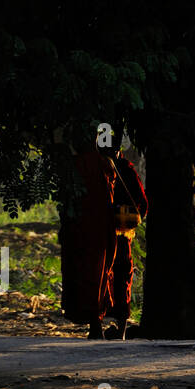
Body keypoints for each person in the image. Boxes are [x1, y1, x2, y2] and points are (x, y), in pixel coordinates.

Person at [60, 142, 148, 339]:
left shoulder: (116, 168)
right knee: (107, 277)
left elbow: (141, 203)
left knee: (112, 277)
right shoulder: (105, 167)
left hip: (113, 234)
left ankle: (110, 328)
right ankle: (102, 326)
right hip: (106, 233)